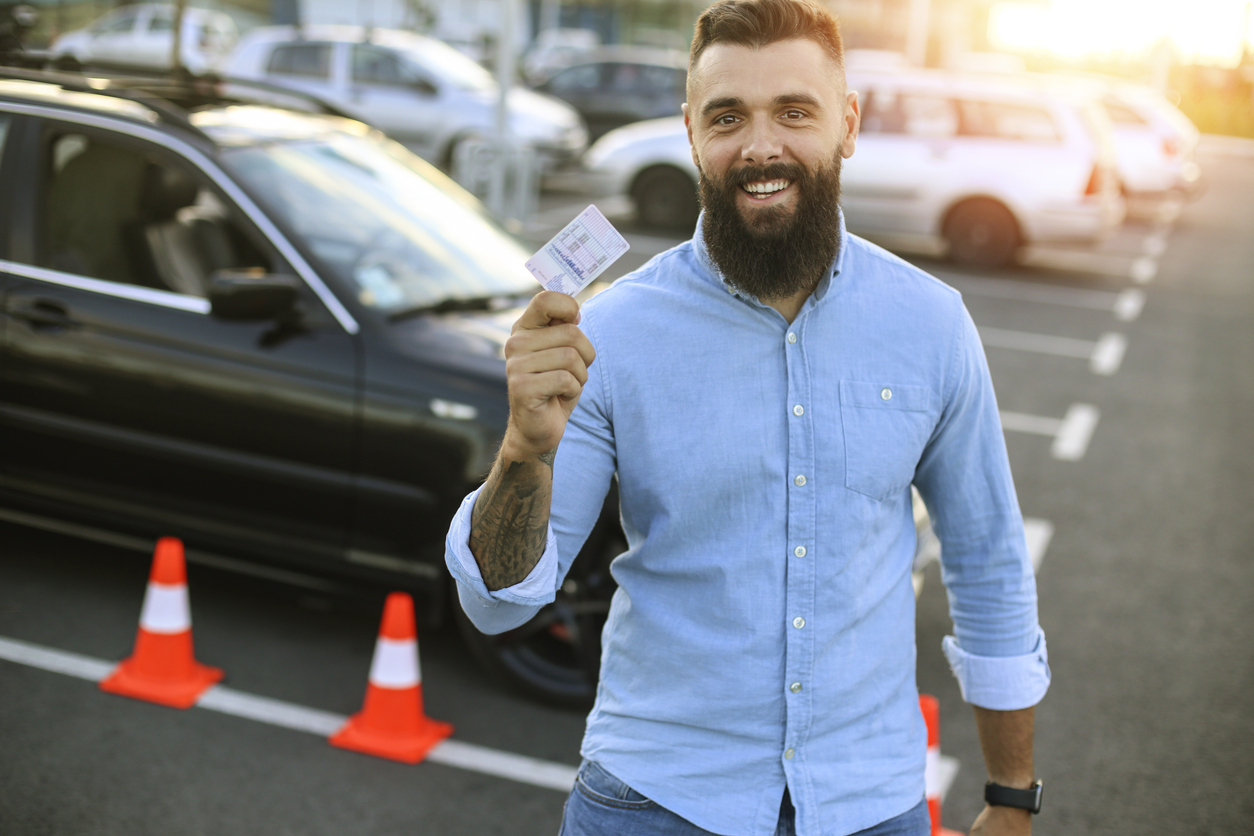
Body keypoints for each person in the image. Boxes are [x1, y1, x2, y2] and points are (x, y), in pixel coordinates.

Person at [445, 0, 1050, 833]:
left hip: (869, 803)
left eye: (794, 112)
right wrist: (524, 448)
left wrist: (1012, 794)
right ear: (691, 133)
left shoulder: (931, 323)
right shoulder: (609, 332)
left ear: (847, 124)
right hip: (653, 800)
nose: (760, 146)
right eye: (728, 116)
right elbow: (498, 607)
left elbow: (988, 562)